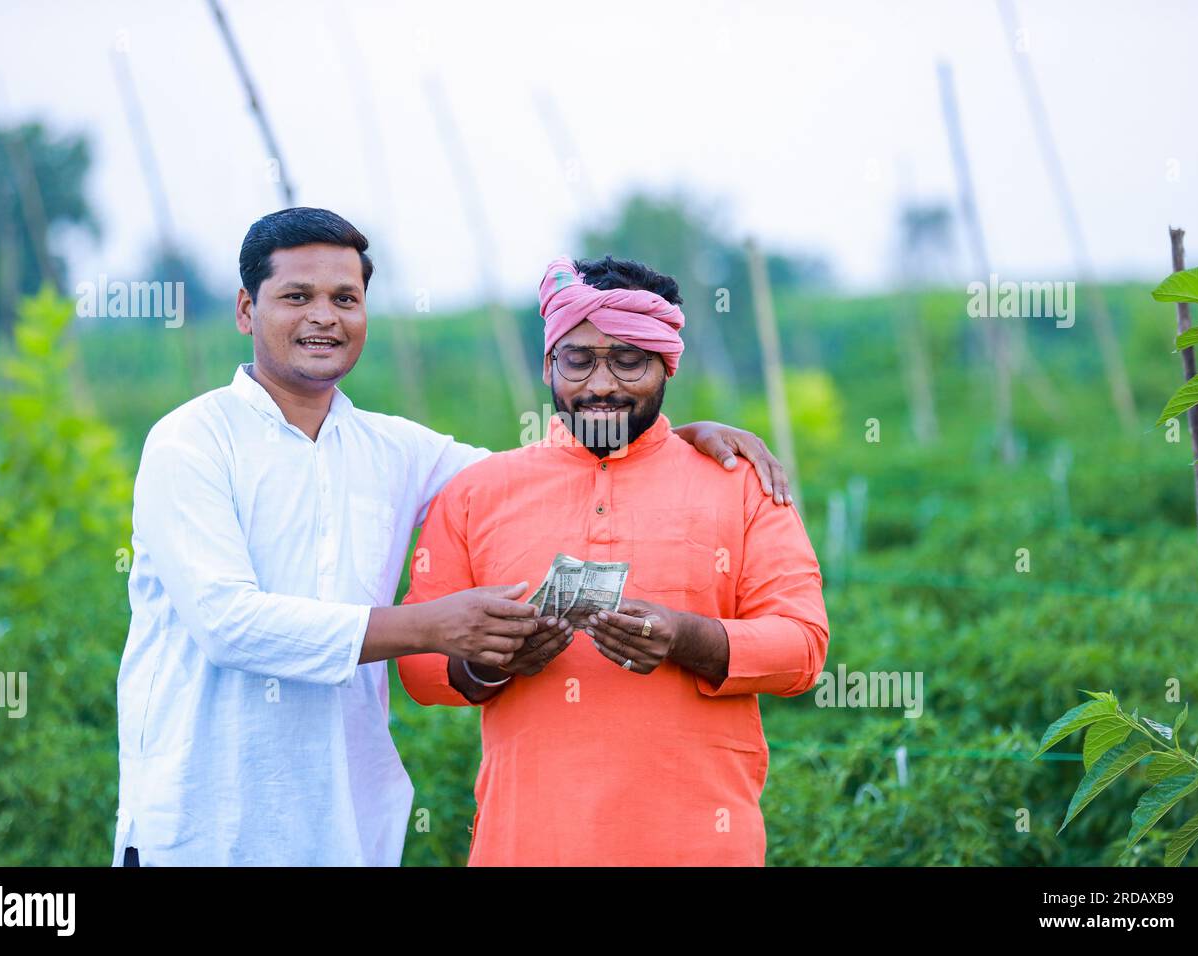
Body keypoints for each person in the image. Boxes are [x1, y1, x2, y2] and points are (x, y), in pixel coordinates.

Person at [113, 208, 793, 866]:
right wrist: (430, 628)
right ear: (244, 310)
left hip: (344, 820)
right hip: (205, 813)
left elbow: (553, 469)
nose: (324, 315)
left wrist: (679, 441)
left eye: (345, 297)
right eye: (297, 295)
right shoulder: (192, 442)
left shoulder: (397, 450)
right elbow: (228, 624)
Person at [397, 254, 830, 866]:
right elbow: (419, 665)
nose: (602, 384)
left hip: (702, 845)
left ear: (666, 366)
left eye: (629, 360)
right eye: (579, 360)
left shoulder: (739, 482)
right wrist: (493, 662)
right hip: (527, 845)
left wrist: (686, 638)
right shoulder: (477, 491)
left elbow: (803, 648)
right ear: (549, 363)